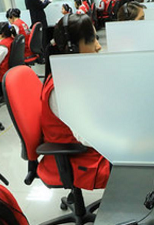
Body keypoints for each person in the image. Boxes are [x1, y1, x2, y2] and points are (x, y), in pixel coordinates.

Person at [42, 14, 110, 190]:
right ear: (72, 49)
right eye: (91, 40)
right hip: (81, 159)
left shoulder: (74, 74)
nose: (98, 45)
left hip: (89, 149)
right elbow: (87, 136)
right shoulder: (64, 88)